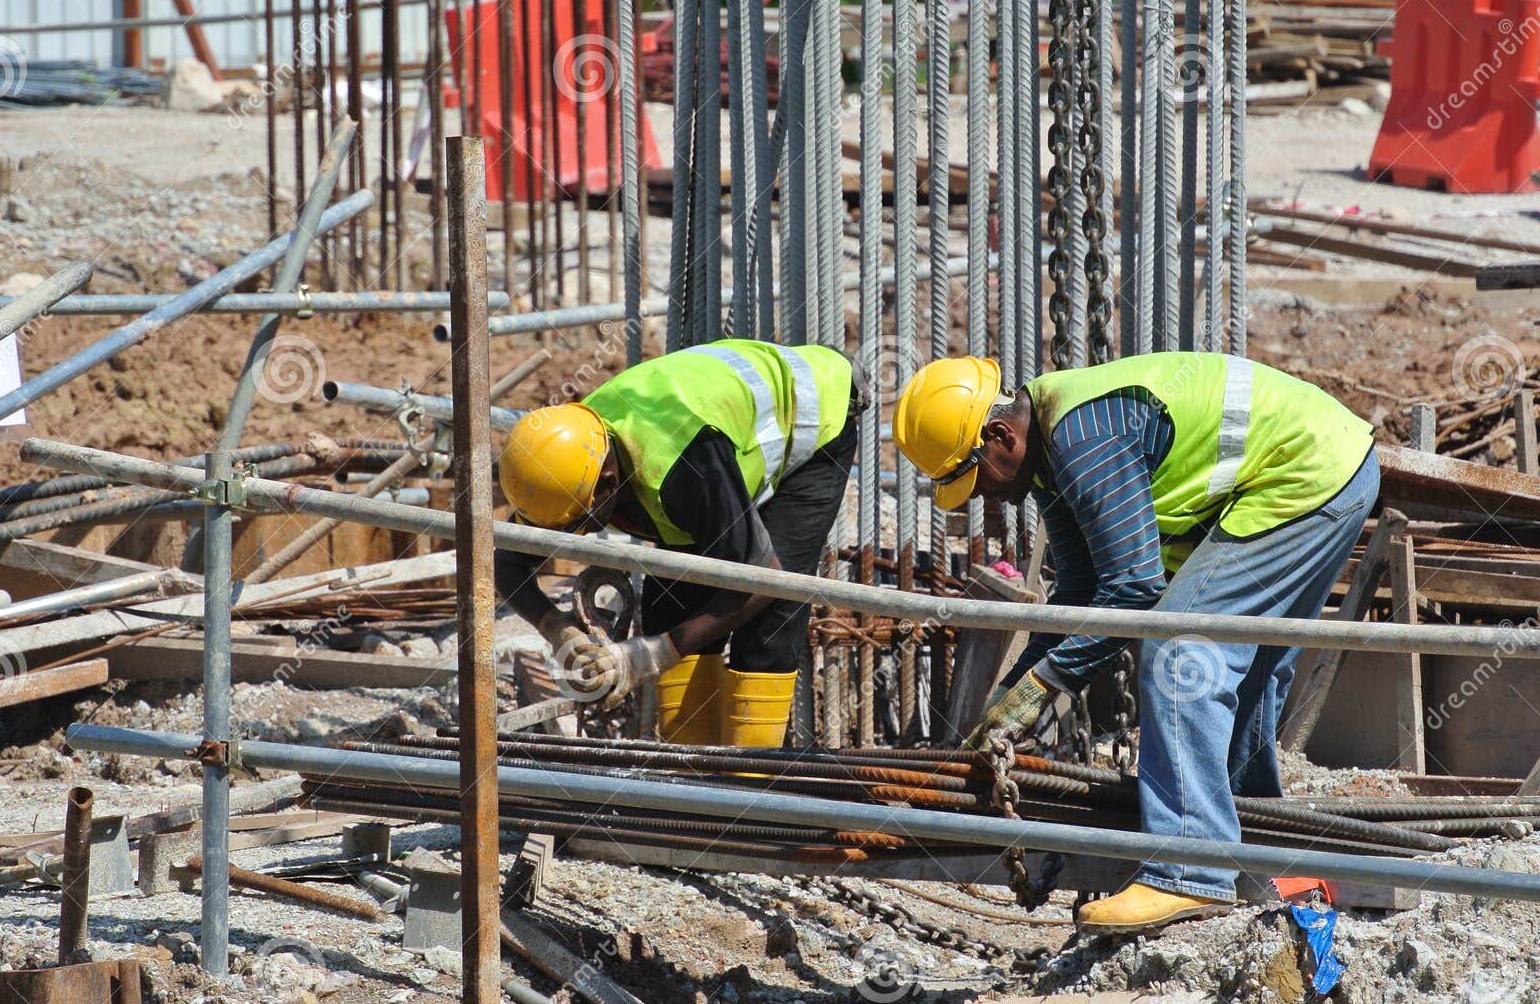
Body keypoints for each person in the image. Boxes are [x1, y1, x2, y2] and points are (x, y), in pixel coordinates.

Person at [892, 351, 1378, 935]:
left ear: (1001, 436)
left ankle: (1187, 873)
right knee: (1242, 664)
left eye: (976, 477)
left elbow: (1134, 587)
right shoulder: (1052, 447)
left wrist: (1048, 683)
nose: (984, 497)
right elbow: (1080, 587)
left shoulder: (1082, 437)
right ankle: (1256, 847)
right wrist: (1017, 690)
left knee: (1181, 652)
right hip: (1333, 466)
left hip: (1303, 476)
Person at [495, 338, 860, 748]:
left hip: (818, 418)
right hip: (714, 436)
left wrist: (651, 655)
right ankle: (689, 777)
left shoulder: (684, 468)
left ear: (609, 481)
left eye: (580, 524)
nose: (573, 536)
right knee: (669, 603)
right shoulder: (567, 458)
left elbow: (764, 578)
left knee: (768, 618)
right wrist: (559, 629)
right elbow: (506, 562)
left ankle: (749, 789)